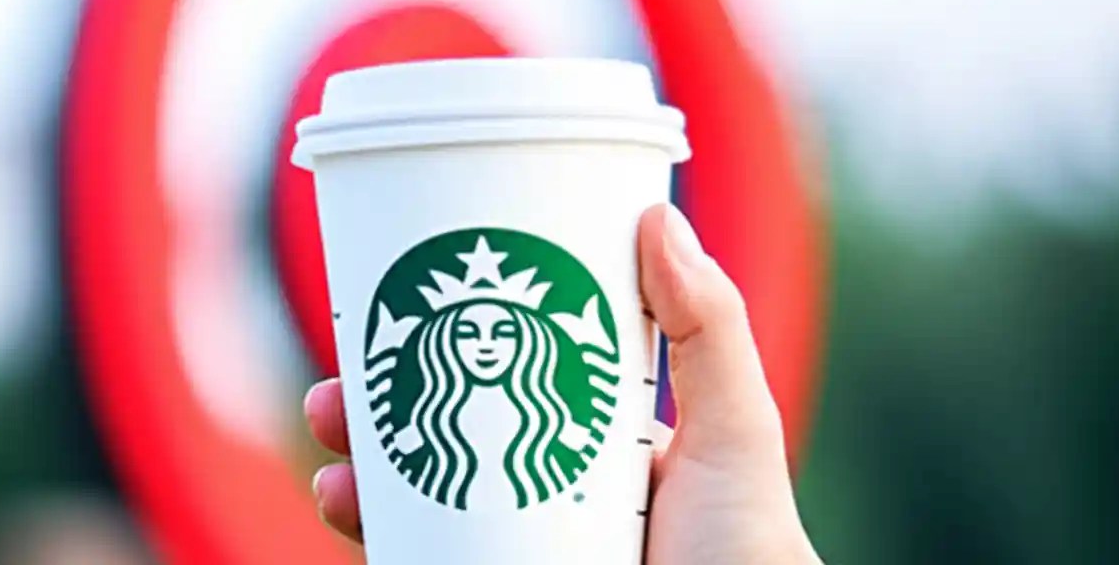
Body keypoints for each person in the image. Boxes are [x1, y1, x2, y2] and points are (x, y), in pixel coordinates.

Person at [304, 204, 825, 564]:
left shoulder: (555, 433)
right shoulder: (429, 435)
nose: (486, 345)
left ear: (531, 341)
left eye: (503, 330)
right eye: (467, 331)